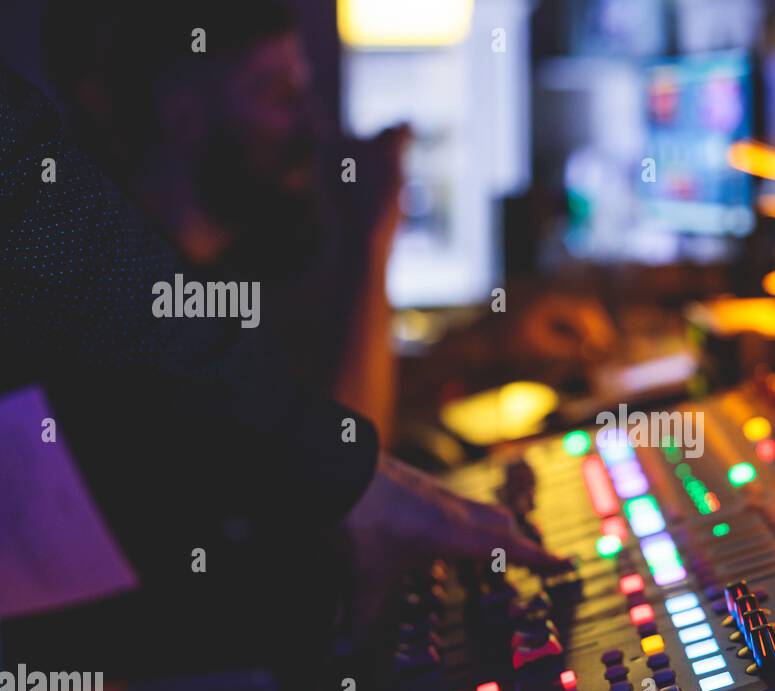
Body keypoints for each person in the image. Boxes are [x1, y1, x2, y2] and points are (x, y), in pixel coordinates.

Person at [0, 61, 565, 614]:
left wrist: (486, 347)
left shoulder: (219, 286)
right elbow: (334, 461)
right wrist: (372, 233)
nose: (312, 126)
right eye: (276, 94)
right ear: (185, 111)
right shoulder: (117, 321)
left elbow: (309, 415)